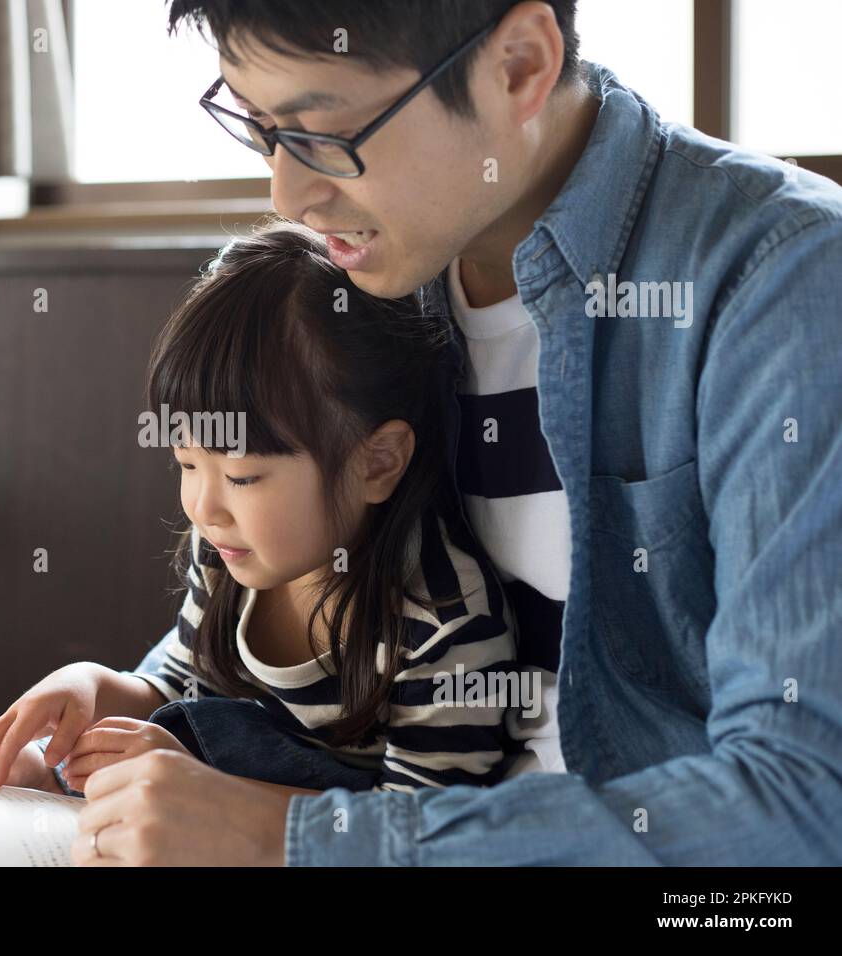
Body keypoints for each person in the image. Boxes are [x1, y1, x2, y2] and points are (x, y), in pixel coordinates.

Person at [52, 0, 841, 865]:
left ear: (518, 66)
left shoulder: (781, 285)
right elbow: (286, 577)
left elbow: (801, 801)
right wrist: (127, 699)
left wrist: (288, 839)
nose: (286, 192)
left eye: (327, 132)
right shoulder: (361, 280)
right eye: (259, 125)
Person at [0, 221, 523, 803]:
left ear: (378, 462)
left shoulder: (444, 623)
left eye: (242, 476)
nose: (204, 508)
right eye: (186, 464)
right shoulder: (228, 553)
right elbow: (175, 688)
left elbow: (423, 827)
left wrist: (208, 793)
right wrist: (91, 687)